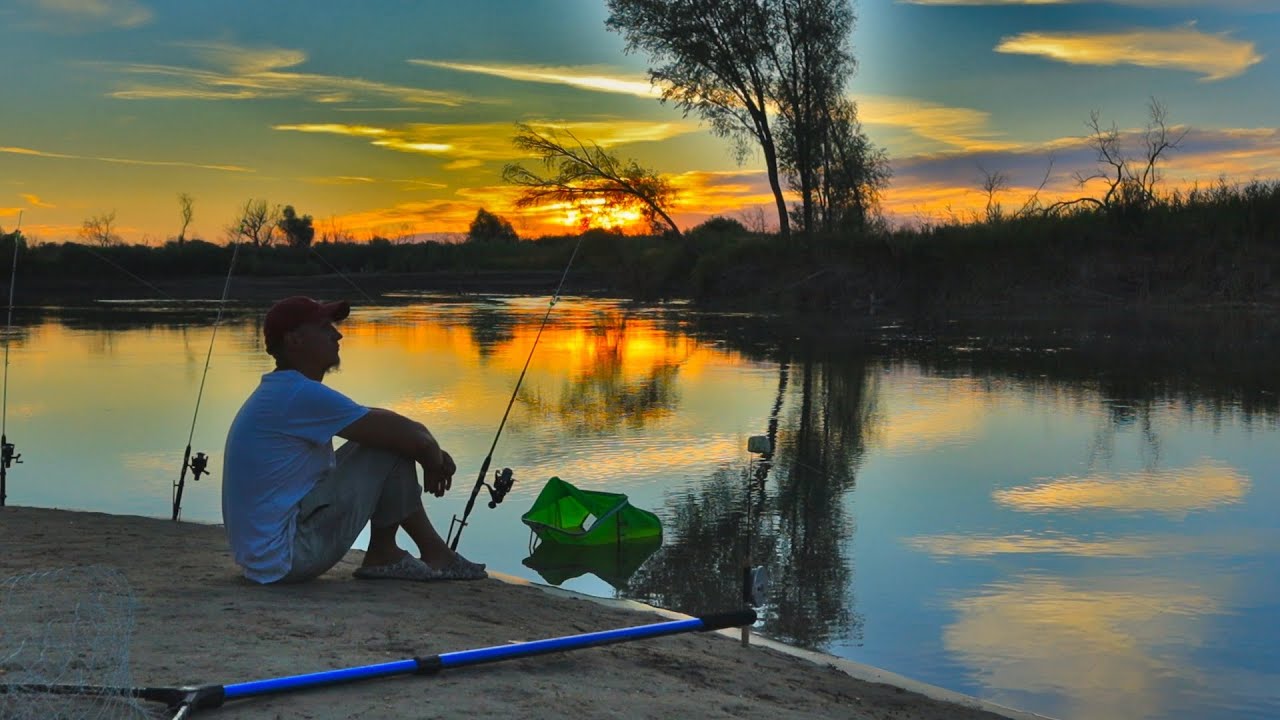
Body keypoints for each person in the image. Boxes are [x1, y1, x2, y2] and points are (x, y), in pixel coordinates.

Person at [222, 296, 486, 584]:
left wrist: (427, 446)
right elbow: (410, 438)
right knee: (387, 447)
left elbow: (382, 422)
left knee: (385, 439)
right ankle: (423, 555)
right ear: (294, 341)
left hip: (266, 556)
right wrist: (432, 456)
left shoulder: (284, 392)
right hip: (289, 555)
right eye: (325, 328)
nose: (337, 334)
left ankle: (397, 553)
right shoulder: (297, 394)